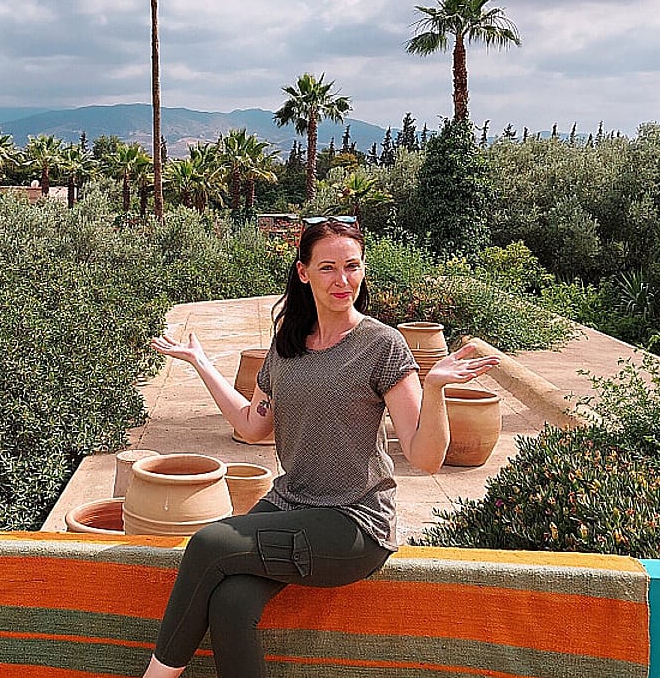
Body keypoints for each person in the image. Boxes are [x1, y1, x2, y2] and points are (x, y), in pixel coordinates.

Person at [141, 217, 500, 678]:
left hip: (353, 523)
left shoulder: (382, 346)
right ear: (303, 272)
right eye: (328, 267)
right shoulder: (288, 344)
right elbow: (253, 426)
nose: (342, 280)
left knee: (209, 543)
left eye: (352, 266)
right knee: (231, 603)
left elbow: (425, 457)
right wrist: (202, 363)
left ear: (364, 269)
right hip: (290, 504)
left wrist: (434, 390)